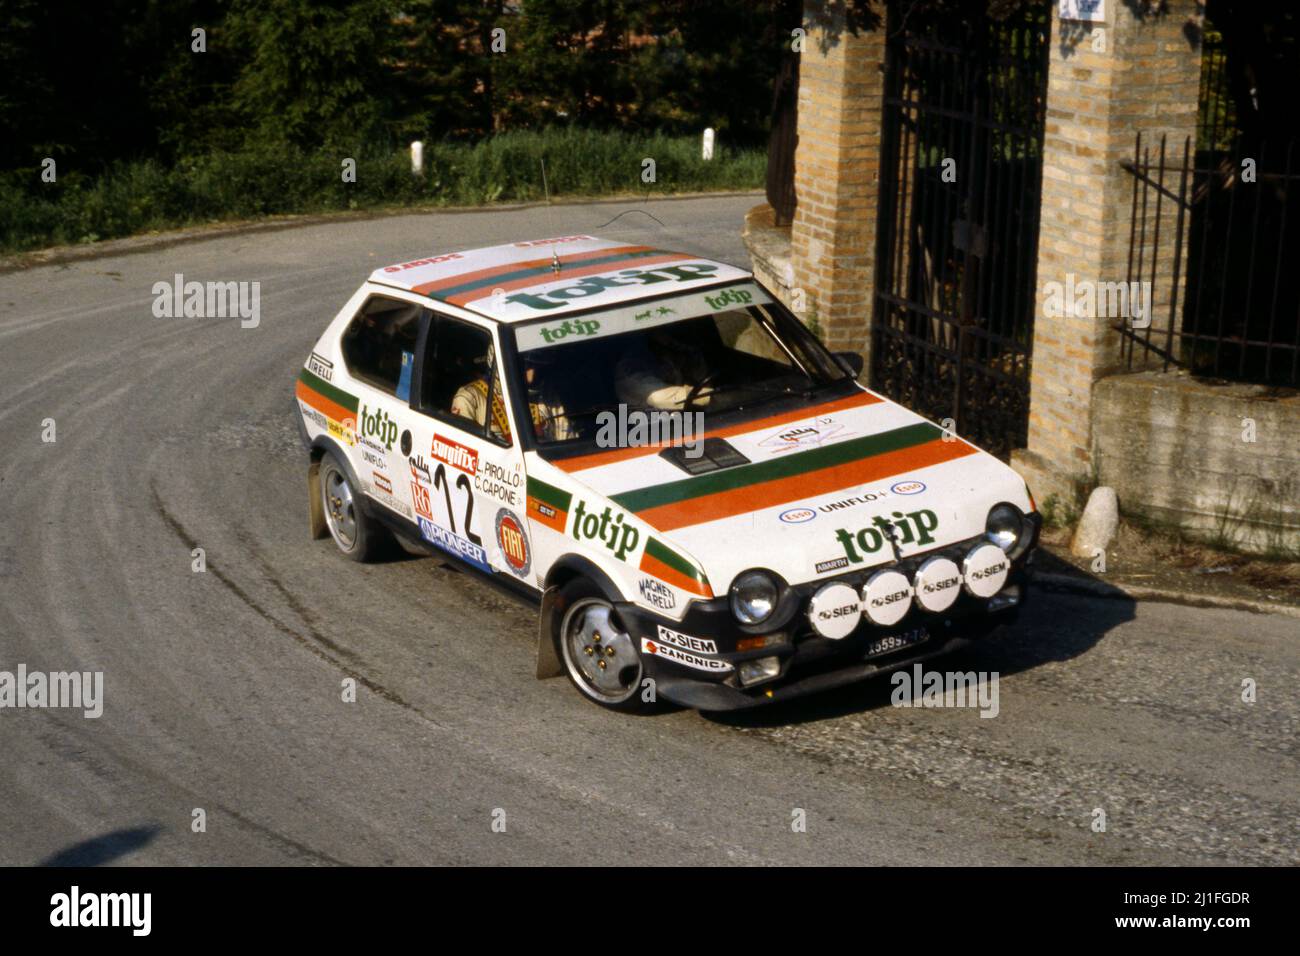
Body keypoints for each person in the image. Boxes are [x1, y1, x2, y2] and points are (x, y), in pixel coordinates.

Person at [451, 345, 571, 442]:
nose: (532, 376)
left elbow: (568, 443)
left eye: (538, 367)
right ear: (501, 362)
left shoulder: (548, 398)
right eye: (526, 367)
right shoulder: (469, 399)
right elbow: (464, 451)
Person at [614, 322, 714, 410]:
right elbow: (659, 397)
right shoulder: (631, 367)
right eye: (670, 327)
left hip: (703, 419)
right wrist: (715, 398)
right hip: (655, 428)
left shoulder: (684, 351)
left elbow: (703, 380)